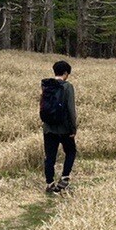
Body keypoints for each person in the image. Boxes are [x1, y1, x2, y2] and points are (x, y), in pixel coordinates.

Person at [41, 59, 77, 193]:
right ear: (66, 73)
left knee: (50, 156)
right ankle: (64, 179)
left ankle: (50, 184)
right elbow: (71, 109)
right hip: (64, 128)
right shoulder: (67, 86)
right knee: (71, 151)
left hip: (48, 127)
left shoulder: (46, 85)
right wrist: (73, 128)